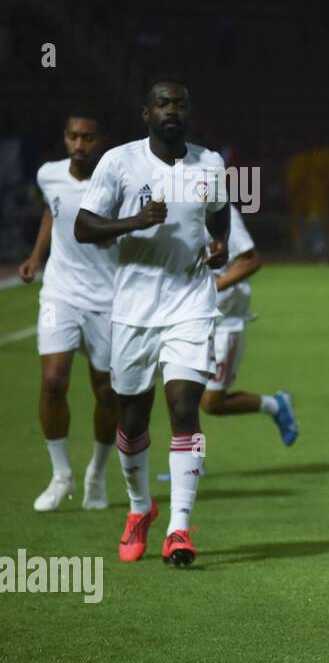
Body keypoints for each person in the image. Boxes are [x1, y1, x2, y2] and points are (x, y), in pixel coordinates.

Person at [75, 76, 231, 566]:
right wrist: (134, 222)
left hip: (191, 302)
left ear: (189, 112)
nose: (171, 110)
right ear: (147, 114)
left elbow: (220, 215)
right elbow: (84, 226)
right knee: (133, 418)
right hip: (135, 310)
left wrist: (219, 242)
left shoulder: (211, 163)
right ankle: (140, 508)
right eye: (162, 103)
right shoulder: (119, 161)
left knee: (185, 407)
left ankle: (179, 530)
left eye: (179, 104)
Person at [19, 111, 118, 512]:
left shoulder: (117, 179)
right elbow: (52, 210)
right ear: (64, 138)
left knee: (108, 392)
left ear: (101, 140)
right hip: (60, 292)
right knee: (54, 381)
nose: (80, 145)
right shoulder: (49, 174)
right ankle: (61, 475)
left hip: (108, 298)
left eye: (88, 138)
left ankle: (97, 472)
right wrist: (35, 255)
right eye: (73, 137)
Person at [198, 206, 299, 444]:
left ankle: (274, 405)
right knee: (182, 396)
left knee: (212, 403)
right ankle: (189, 466)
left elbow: (251, 260)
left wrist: (213, 288)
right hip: (189, 318)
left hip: (224, 322)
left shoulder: (220, 210)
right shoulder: (176, 205)